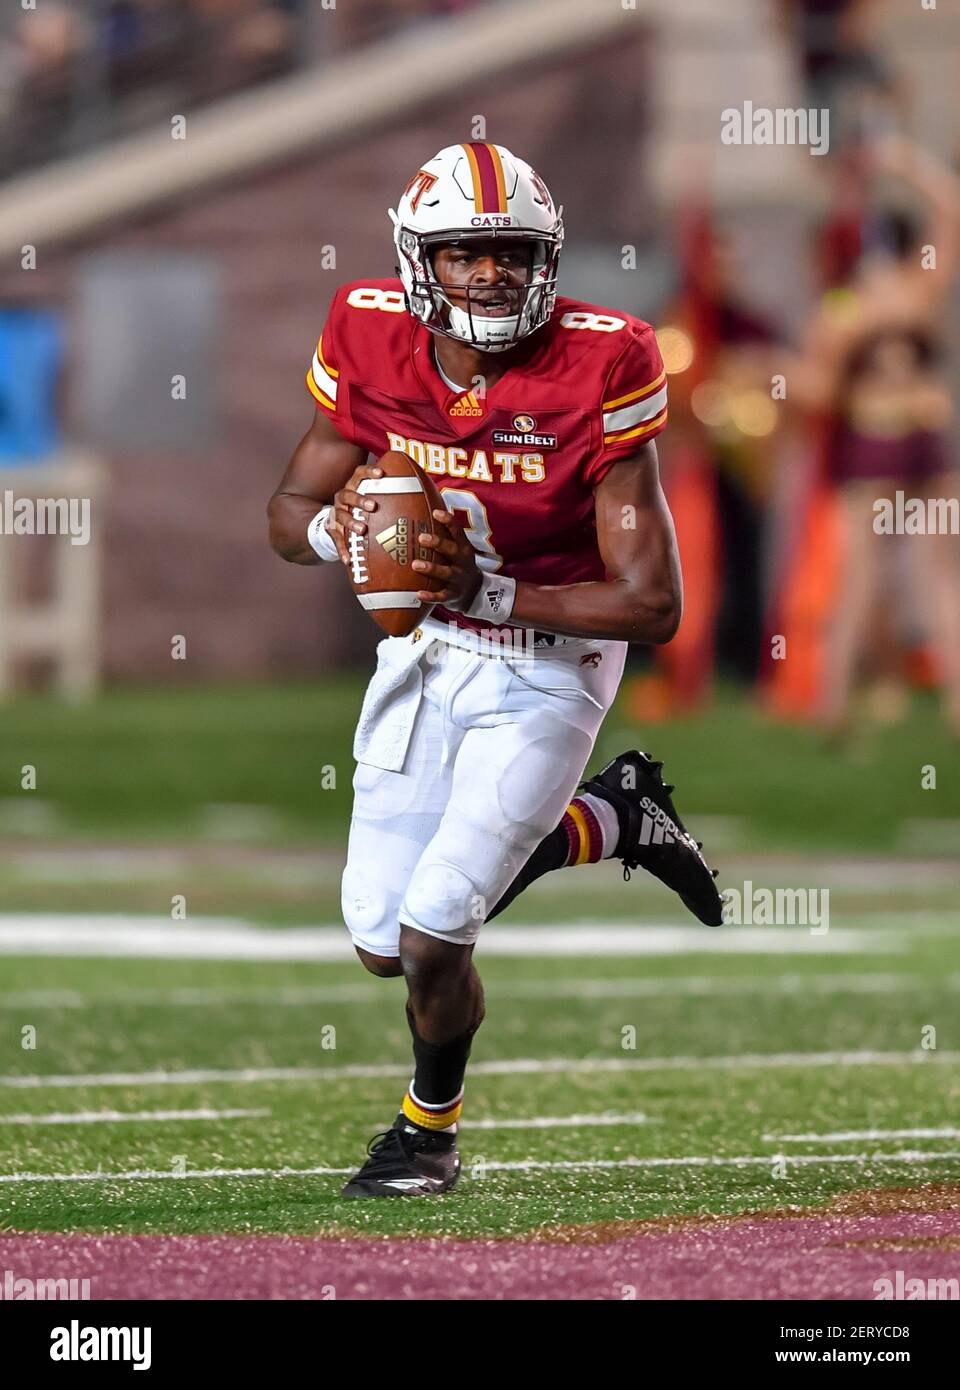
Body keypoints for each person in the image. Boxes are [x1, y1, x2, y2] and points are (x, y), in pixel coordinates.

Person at [268, 142, 722, 1199]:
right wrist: (353, 539)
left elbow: (654, 604)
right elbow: (288, 516)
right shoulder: (370, 334)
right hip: (430, 653)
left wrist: (497, 594)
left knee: (435, 933)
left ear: (544, 256)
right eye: (464, 253)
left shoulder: (604, 359)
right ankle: (614, 818)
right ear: (419, 258)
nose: (488, 275)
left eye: (508, 253)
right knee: (383, 942)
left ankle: (427, 1135)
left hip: (553, 658)